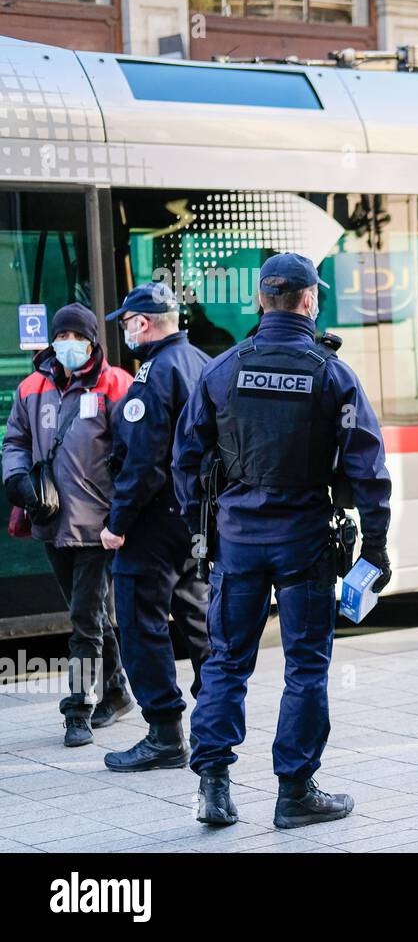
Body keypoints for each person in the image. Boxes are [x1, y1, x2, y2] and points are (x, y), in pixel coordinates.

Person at [173, 253, 392, 829]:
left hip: (236, 543)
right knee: (305, 666)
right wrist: (376, 547)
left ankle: (213, 787)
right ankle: (294, 792)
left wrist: (205, 522)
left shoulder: (222, 369)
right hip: (304, 544)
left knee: (224, 661)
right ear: (309, 300)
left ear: (260, 302)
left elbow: (185, 459)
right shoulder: (332, 373)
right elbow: (369, 469)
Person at [3, 303, 134, 746]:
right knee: (94, 614)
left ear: (93, 341)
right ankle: (117, 691)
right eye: (63, 337)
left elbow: (135, 451)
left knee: (83, 619)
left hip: (99, 526)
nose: (70, 345)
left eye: (79, 338)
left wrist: (124, 511)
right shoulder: (30, 388)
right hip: (50, 520)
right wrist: (17, 477)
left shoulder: (117, 385)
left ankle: (79, 707)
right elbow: (15, 440)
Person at [99, 283, 212, 771]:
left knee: (141, 621)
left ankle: (165, 734)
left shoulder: (153, 374)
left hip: (152, 522)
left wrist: (118, 523)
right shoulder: (203, 362)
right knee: (197, 615)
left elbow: (144, 463)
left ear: (142, 323)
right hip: (194, 517)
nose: (124, 330)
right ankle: (217, 715)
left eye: (126, 322)